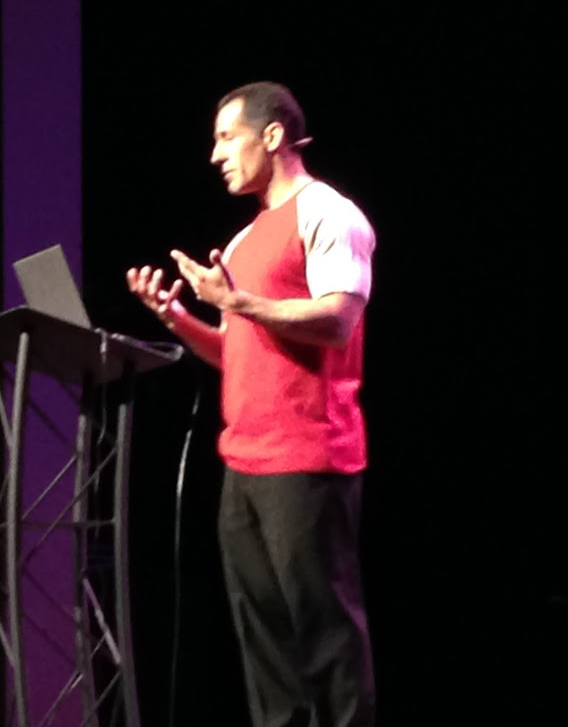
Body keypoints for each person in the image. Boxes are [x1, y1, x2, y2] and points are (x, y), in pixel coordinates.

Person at [127, 81, 376, 727]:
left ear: (272, 136)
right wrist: (178, 317)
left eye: (226, 137)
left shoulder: (329, 213)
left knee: (326, 638)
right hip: (244, 466)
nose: (215, 154)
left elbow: (337, 321)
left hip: (307, 460)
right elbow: (237, 352)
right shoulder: (241, 243)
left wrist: (236, 302)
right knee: (264, 648)